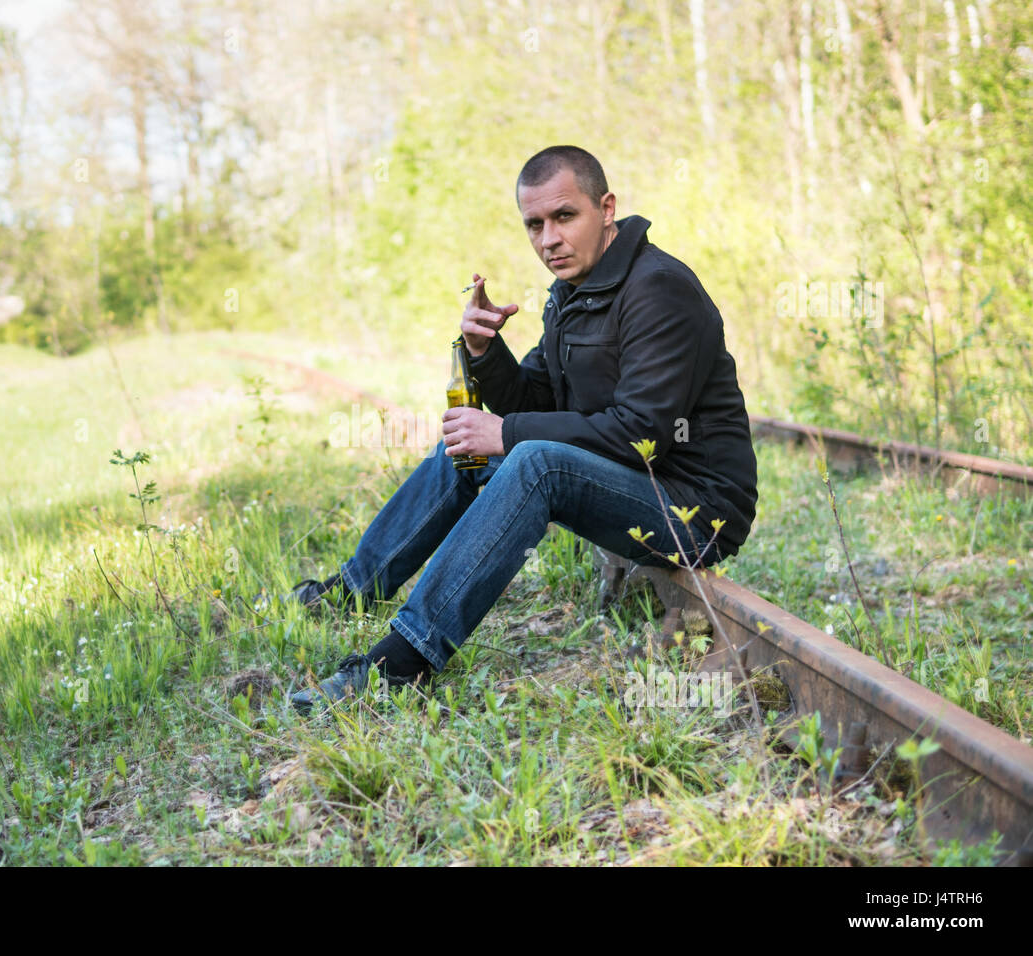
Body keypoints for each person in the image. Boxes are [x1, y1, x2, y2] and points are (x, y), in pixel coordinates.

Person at [288, 145, 758, 712]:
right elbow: (536, 396)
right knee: (467, 440)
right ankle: (356, 590)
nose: (548, 239)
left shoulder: (659, 289)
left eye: (565, 217)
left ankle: (402, 663)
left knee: (534, 461)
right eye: (534, 224)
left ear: (605, 208)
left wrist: (507, 434)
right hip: (636, 488)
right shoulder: (574, 294)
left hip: (695, 509)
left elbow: (643, 434)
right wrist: (485, 353)